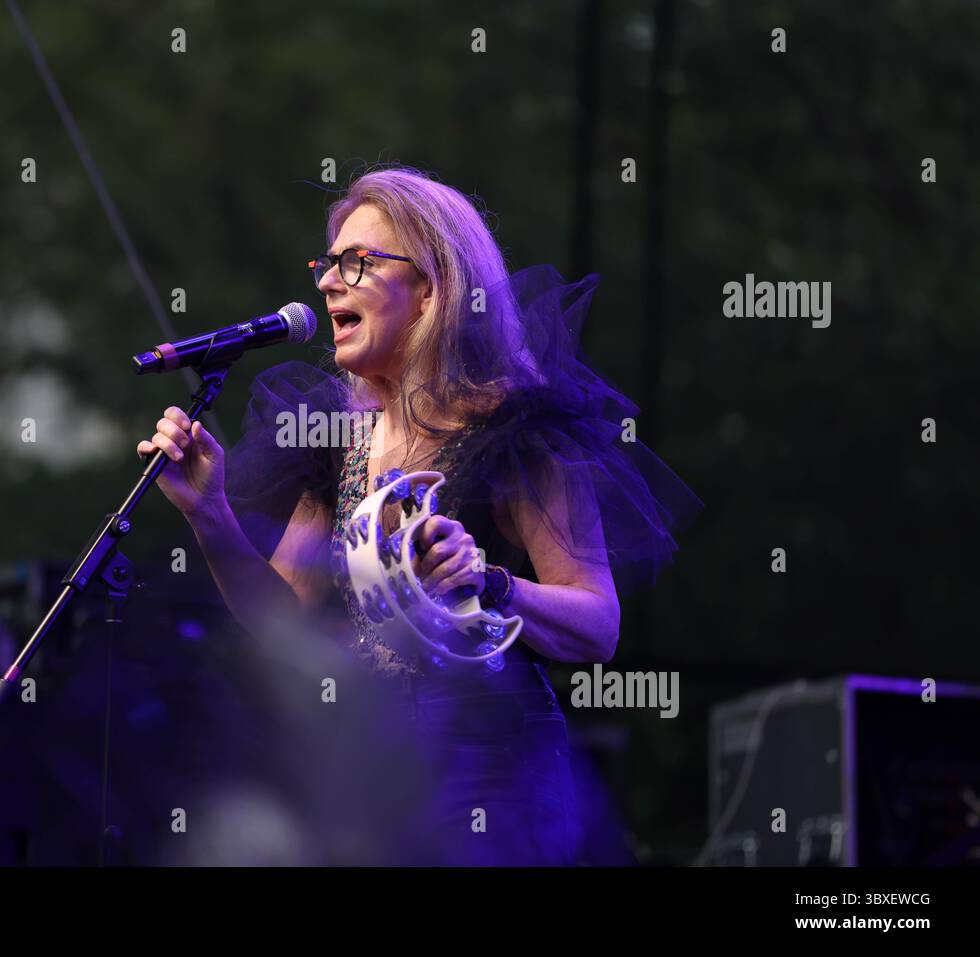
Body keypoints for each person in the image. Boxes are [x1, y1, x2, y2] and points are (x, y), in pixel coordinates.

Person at [137, 166, 701, 864]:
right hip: (377, 766)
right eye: (327, 264)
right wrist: (210, 512)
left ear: (431, 288)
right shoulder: (332, 441)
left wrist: (491, 584)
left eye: (355, 263)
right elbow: (279, 611)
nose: (325, 283)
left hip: (489, 765)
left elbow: (598, 624)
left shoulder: (519, 428)